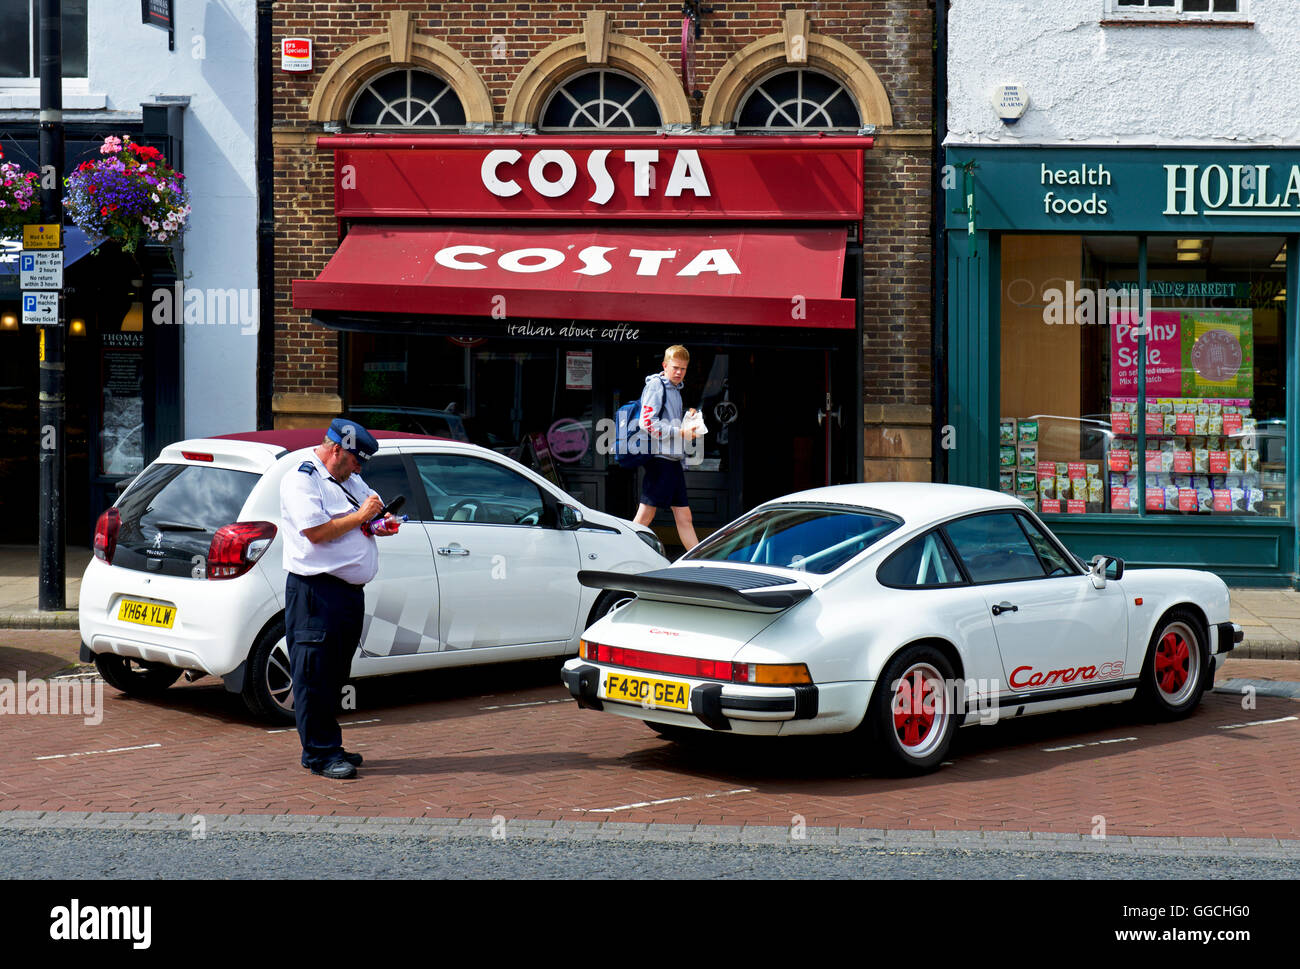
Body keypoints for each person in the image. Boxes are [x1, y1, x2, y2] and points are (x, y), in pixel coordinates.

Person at [279, 418, 402, 779]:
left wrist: (379, 524)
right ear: (336, 450)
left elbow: (366, 518)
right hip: (316, 592)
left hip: (347, 593)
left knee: (334, 674)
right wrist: (361, 516)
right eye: (355, 460)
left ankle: (327, 743)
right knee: (313, 674)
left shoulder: (349, 478)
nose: (359, 468)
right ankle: (319, 754)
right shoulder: (302, 479)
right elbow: (316, 532)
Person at [634, 345, 701, 551]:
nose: (679, 372)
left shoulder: (675, 390)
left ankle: (699, 563)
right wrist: (680, 432)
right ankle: (618, 554)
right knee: (645, 516)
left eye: (683, 368)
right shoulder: (656, 385)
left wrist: (686, 418)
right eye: (675, 367)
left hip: (672, 460)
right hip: (660, 460)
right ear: (664, 365)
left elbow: (665, 421)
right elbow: (647, 423)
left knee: (684, 516)